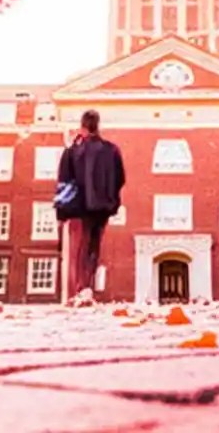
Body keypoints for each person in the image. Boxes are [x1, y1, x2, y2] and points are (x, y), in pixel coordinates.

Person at [57, 110, 125, 306]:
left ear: (83, 126)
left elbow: (65, 181)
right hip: (101, 208)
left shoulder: (72, 151)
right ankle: (87, 289)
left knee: (78, 250)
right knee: (93, 249)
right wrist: (111, 201)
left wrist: (62, 212)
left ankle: (79, 290)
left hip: (78, 208)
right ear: (98, 125)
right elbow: (120, 179)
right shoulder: (112, 150)